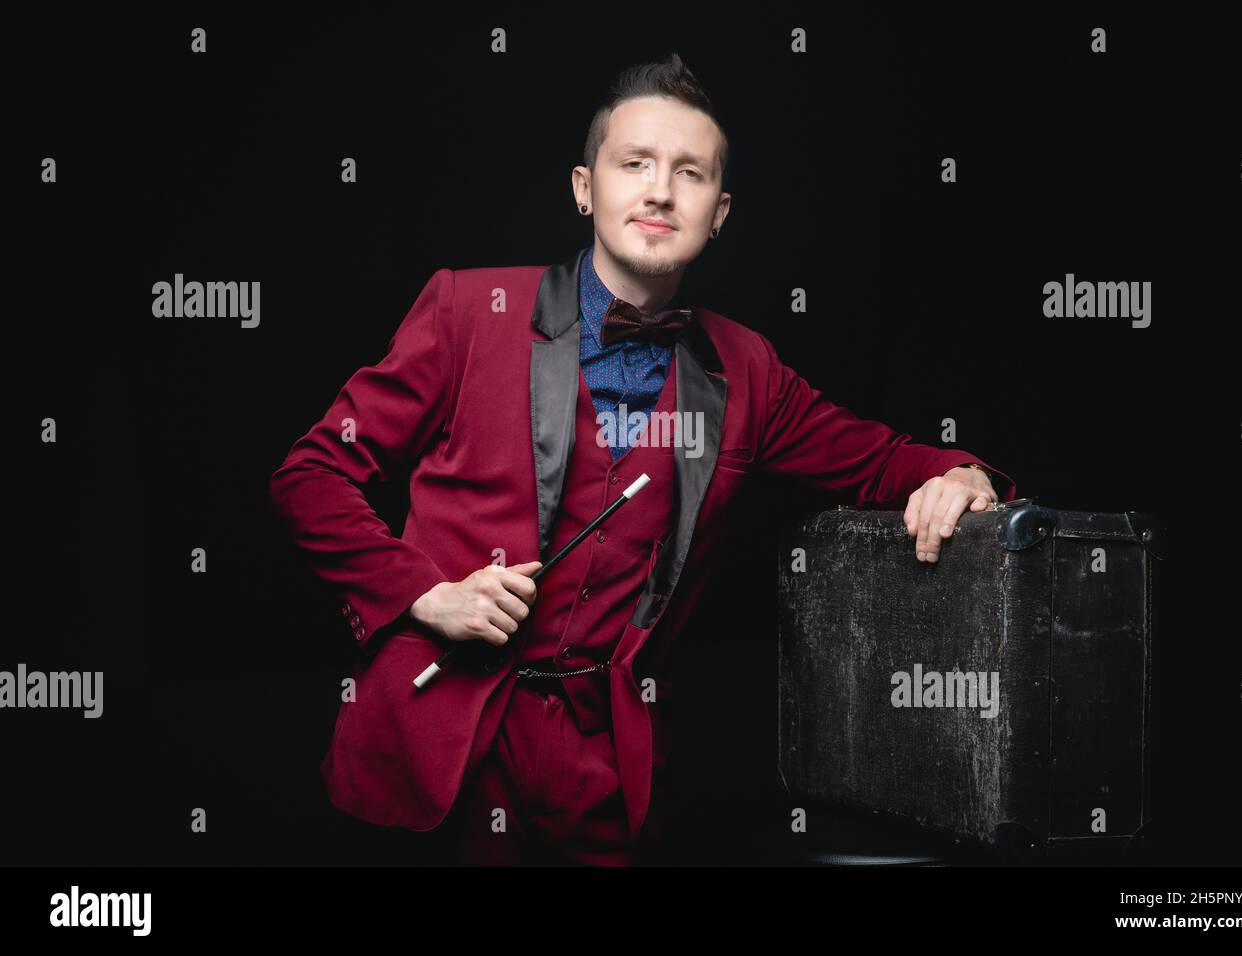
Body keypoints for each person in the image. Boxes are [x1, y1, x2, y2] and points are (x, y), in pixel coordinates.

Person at [268, 53, 1016, 866]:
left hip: (604, 781)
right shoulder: (466, 309)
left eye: (688, 173)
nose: (660, 190)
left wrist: (964, 475)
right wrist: (426, 595)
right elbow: (310, 476)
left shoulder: (749, 371)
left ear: (718, 211)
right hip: (431, 747)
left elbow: (881, 461)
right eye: (636, 164)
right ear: (586, 187)